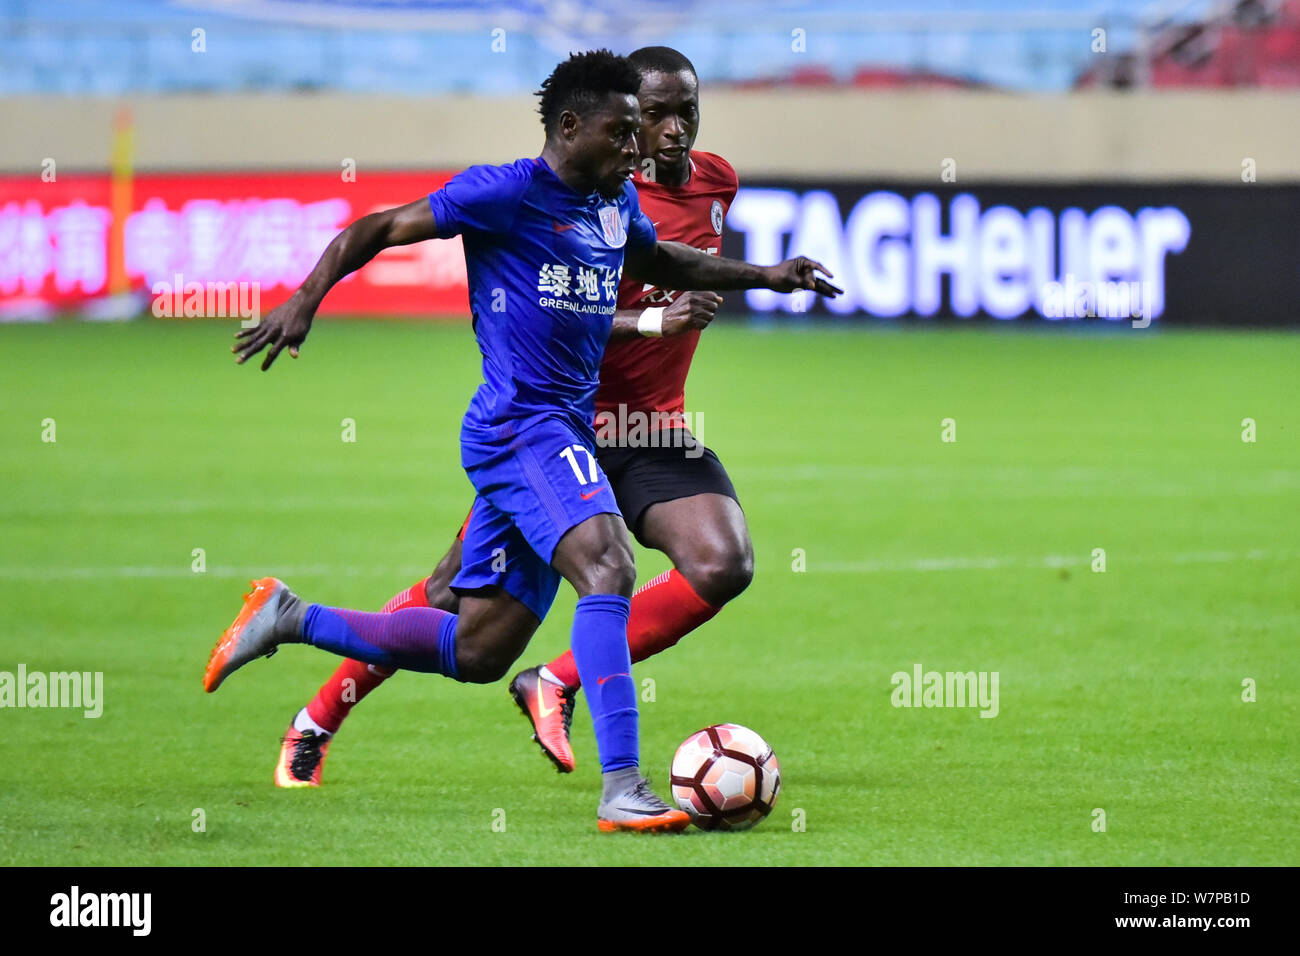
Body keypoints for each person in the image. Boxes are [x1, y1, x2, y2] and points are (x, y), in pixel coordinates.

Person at [204, 50, 840, 832]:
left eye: (649, 129)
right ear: (571, 127)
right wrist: (304, 301)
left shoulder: (615, 201)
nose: (641, 147)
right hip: (521, 428)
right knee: (607, 565)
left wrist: (766, 277)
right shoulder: (504, 192)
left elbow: (660, 257)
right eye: (625, 130)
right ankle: (623, 787)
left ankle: (289, 616)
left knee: (478, 650)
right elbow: (377, 226)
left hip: (583, 427)